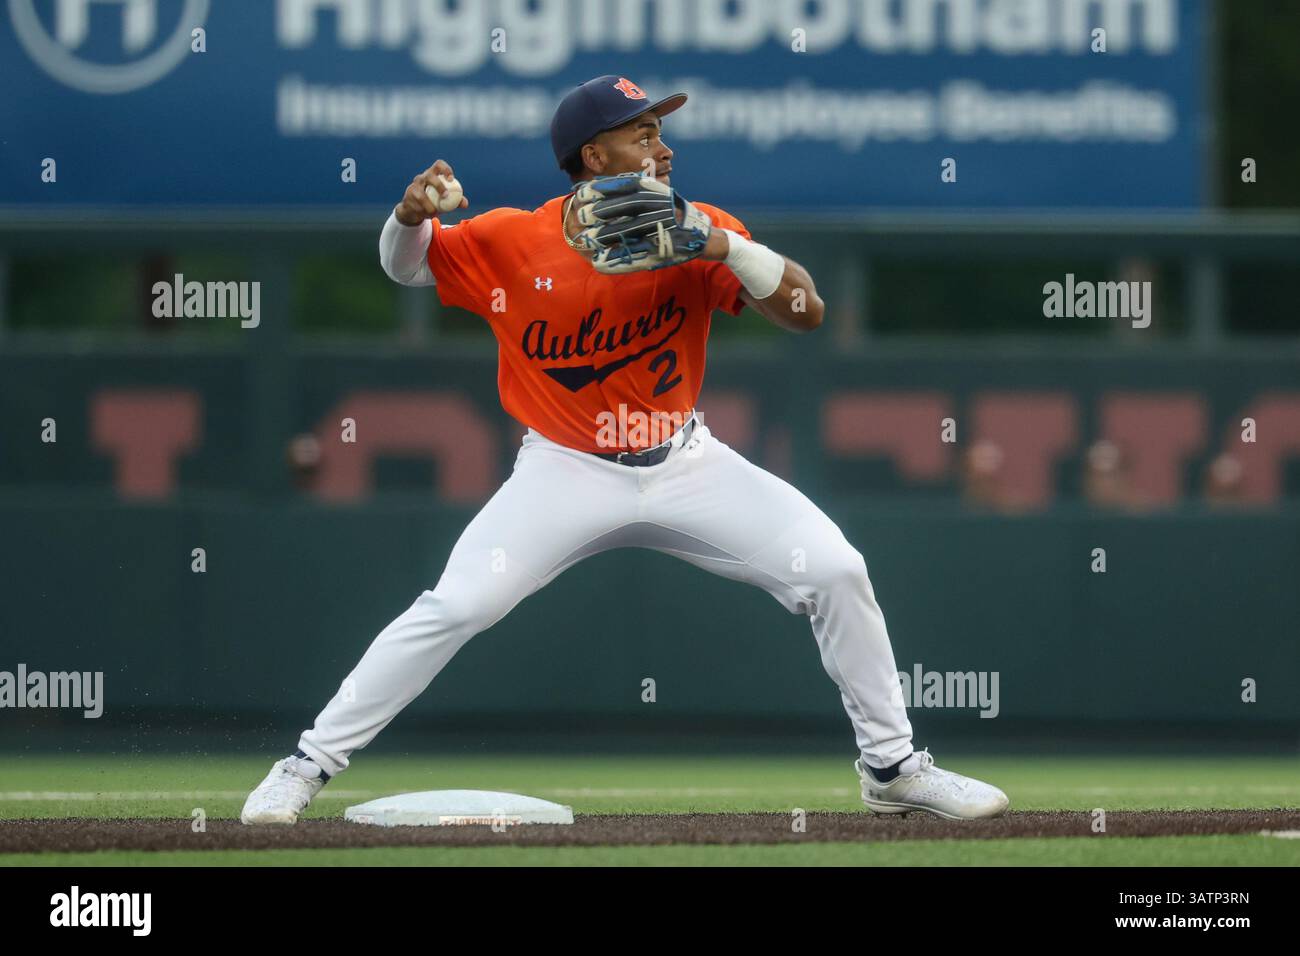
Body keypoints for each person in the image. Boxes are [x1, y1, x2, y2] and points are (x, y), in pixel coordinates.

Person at [241, 75, 1008, 825]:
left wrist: (725, 246)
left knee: (838, 570)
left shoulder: (696, 224)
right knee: (458, 604)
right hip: (566, 468)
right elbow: (404, 266)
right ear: (594, 155)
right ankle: (303, 767)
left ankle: (892, 768)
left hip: (684, 461)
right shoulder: (513, 238)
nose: (663, 146)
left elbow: (806, 311)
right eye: (643, 132)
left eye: (661, 129)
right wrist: (407, 217)